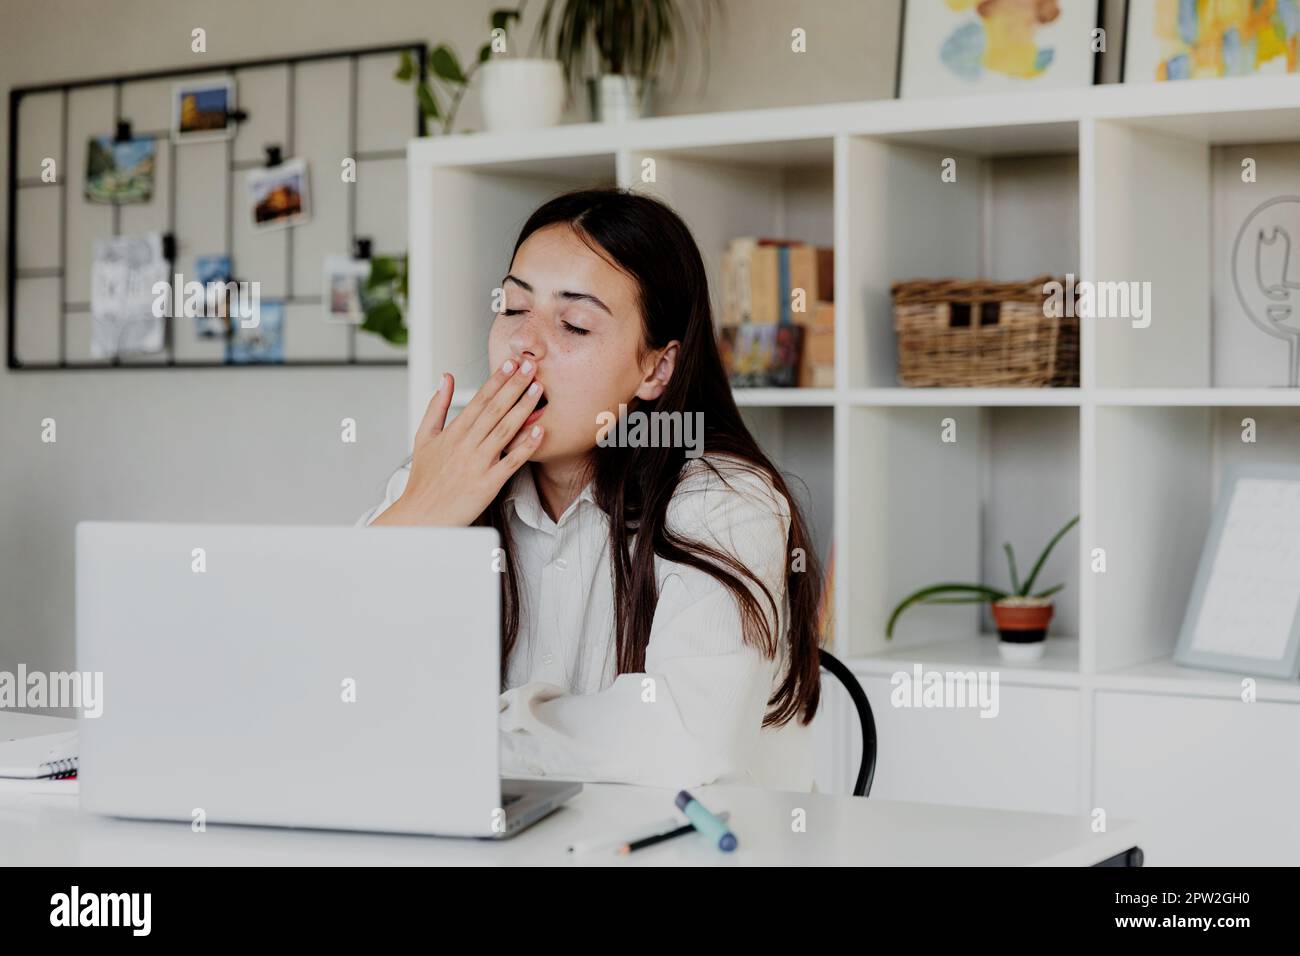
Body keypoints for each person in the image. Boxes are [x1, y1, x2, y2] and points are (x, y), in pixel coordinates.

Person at [357, 187, 825, 791]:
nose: (524, 345)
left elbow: (685, 738)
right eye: (513, 308)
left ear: (657, 369)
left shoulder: (724, 500)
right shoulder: (439, 481)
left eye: (574, 324)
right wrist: (416, 517)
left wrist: (461, 734)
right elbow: (328, 687)